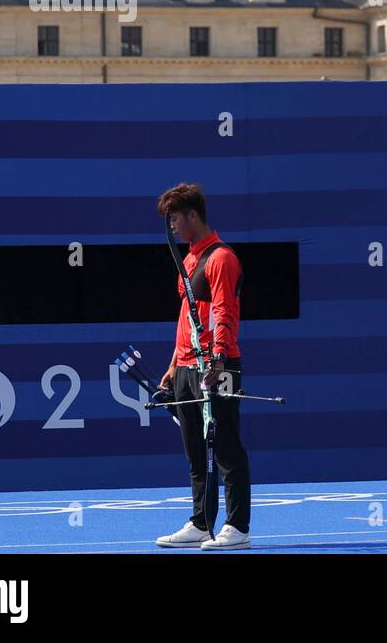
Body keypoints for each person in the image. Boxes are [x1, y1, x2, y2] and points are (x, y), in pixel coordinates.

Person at [153, 182, 252, 550]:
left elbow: (226, 310)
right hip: (186, 368)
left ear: (193, 215)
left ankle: (237, 527)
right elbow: (188, 318)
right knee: (196, 450)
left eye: (175, 219)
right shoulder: (191, 259)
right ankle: (201, 521)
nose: (173, 227)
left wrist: (220, 357)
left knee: (225, 446)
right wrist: (173, 364)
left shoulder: (221, 258)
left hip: (216, 366)